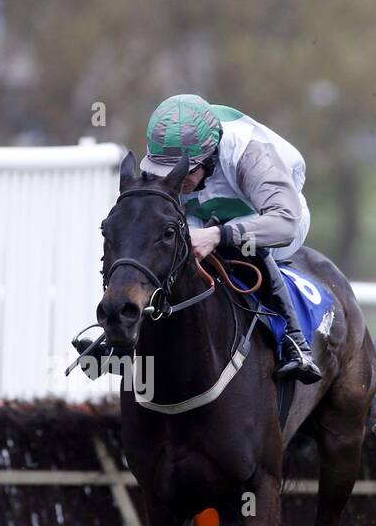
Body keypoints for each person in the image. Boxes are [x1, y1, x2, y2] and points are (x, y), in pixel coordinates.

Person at [83, 94, 322, 384]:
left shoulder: (249, 154)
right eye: (164, 169)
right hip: (204, 217)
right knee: (167, 251)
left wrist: (219, 235)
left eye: (185, 171)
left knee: (246, 248)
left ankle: (294, 343)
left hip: (271, 217)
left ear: (209, 157)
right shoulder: (168, 154)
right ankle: (120, 342)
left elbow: (284, 222)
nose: (175, 179)